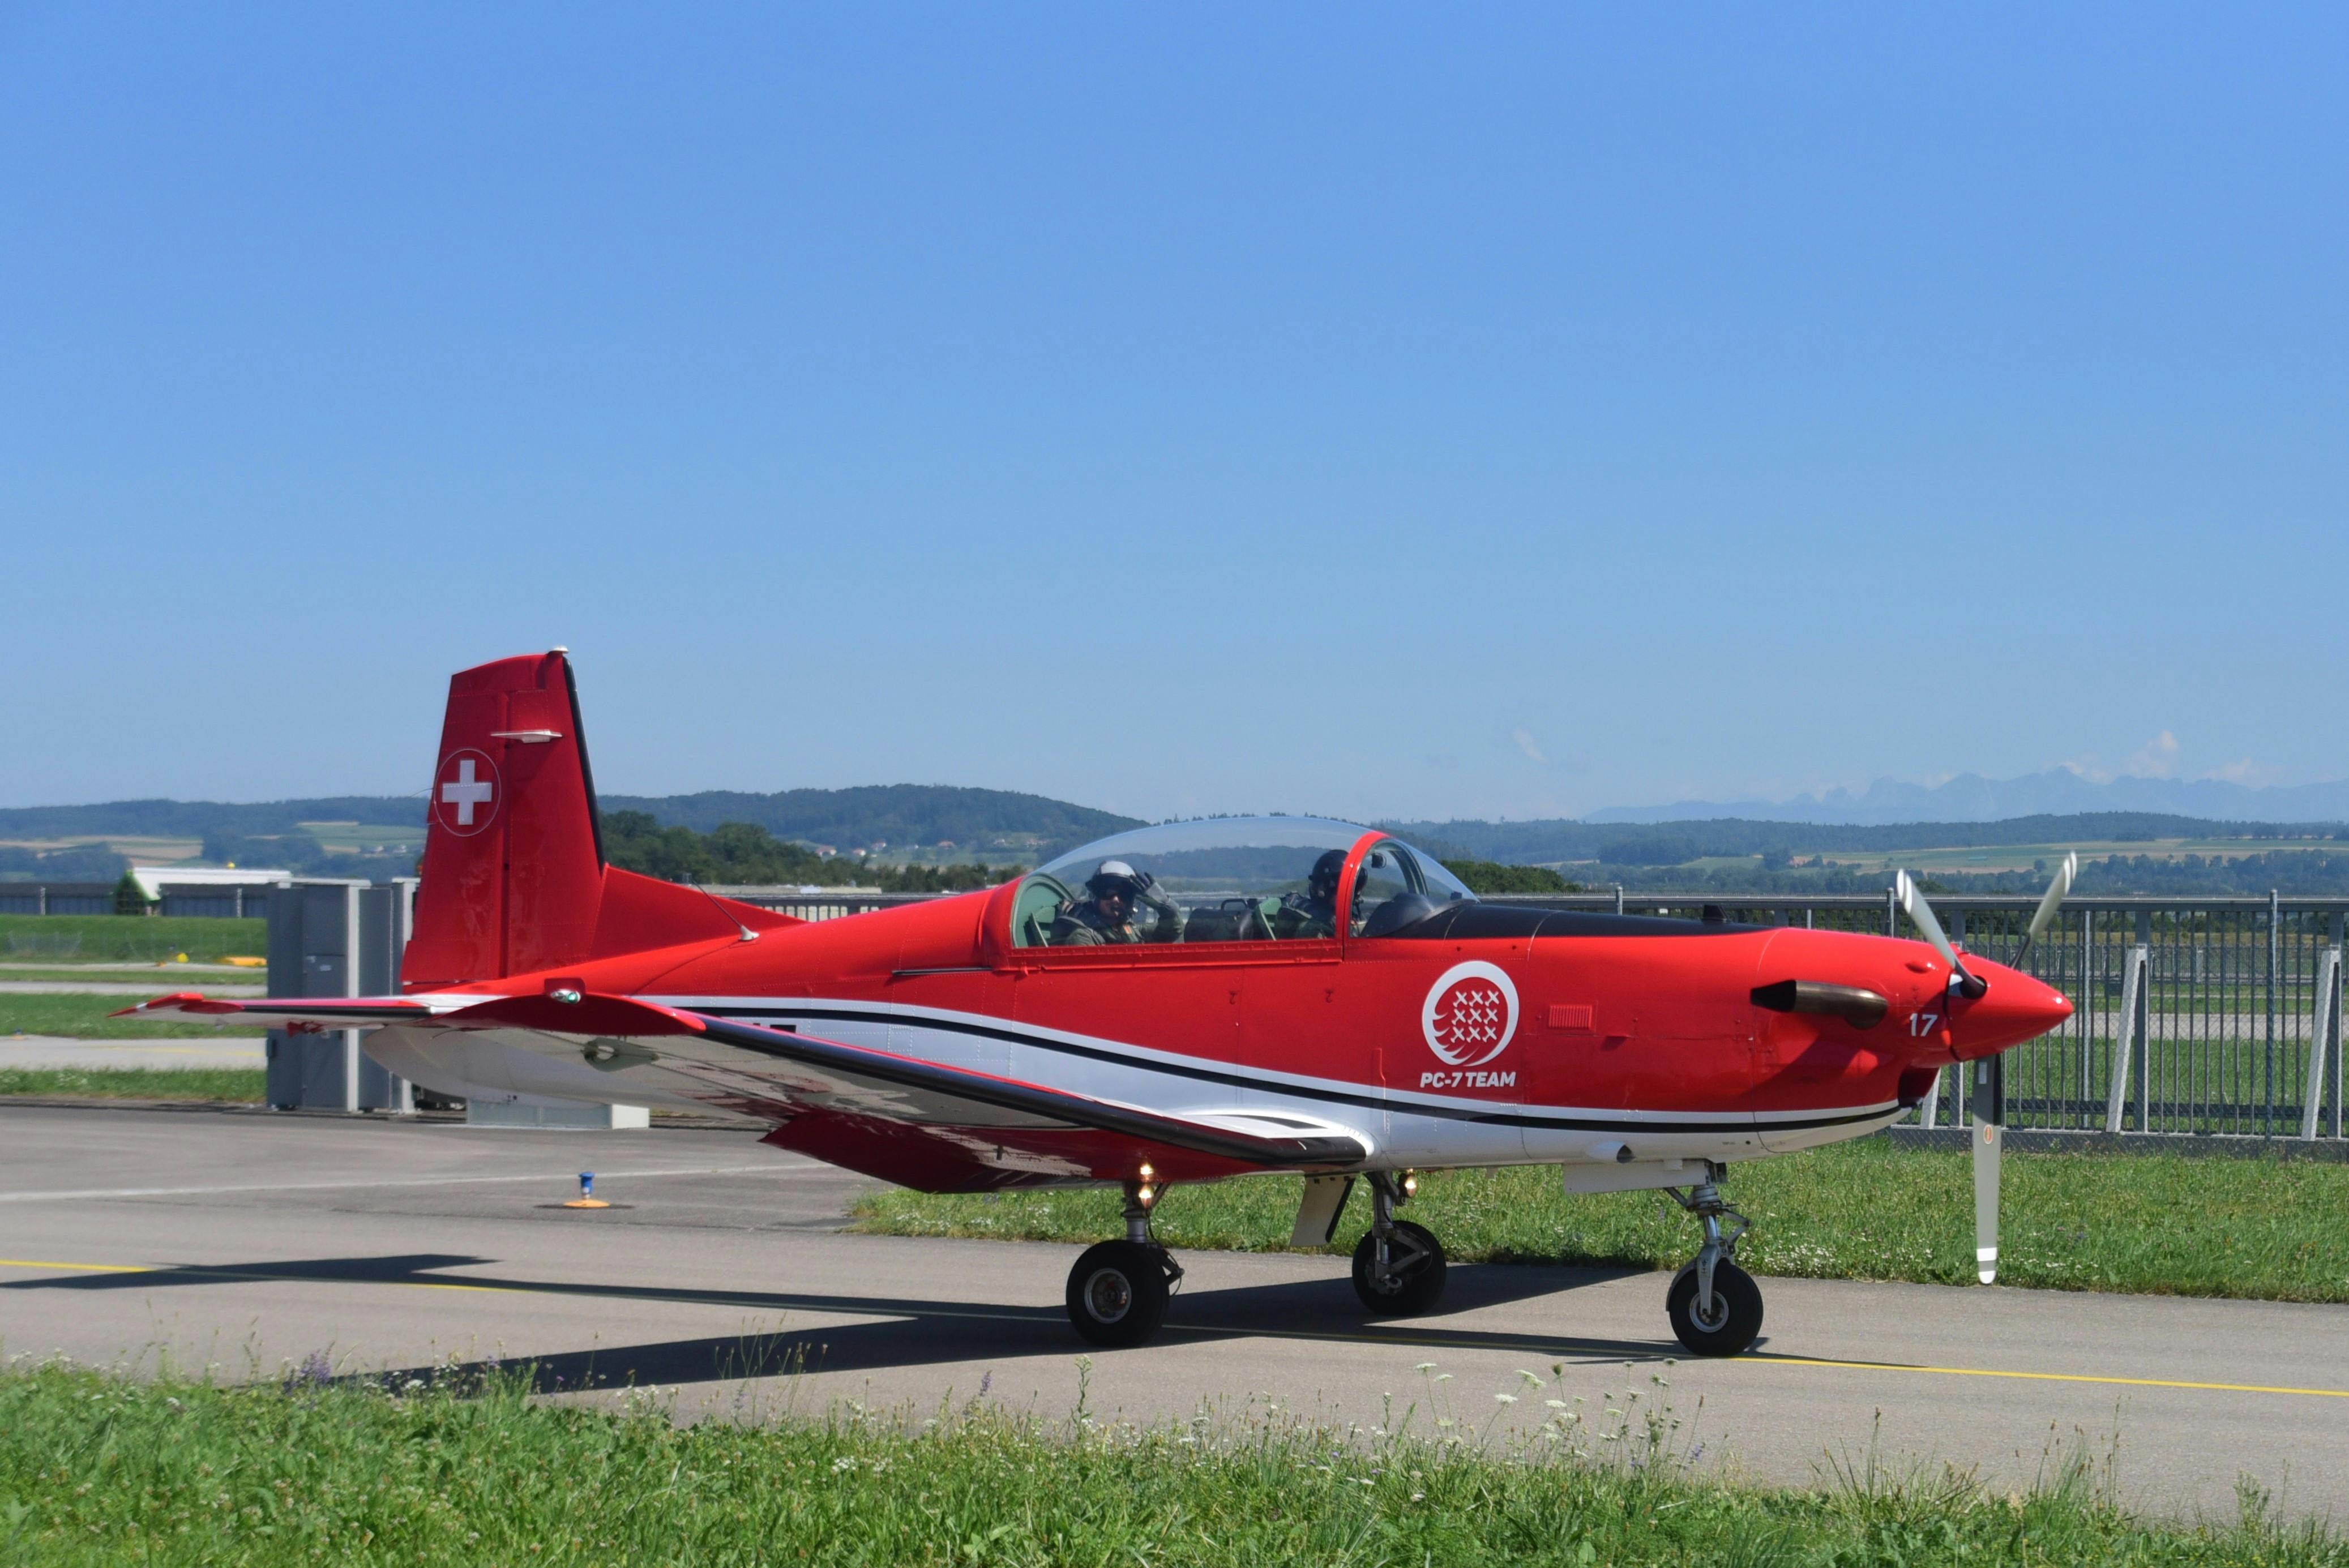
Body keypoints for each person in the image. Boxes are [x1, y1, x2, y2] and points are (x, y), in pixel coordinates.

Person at [1049, 859, 1184, 946]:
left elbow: (1173, 929)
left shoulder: (1131, 931)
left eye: (1124, 895)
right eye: (1108, 893)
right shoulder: (1083, 937)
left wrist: (1164, 904)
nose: (1115, 900)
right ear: (1097, 894)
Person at [1273, 849, 1347, 939]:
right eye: (1341, 884)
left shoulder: (1343, 919)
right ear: (1322, 889)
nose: (1346, 891)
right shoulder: (1315, 926)